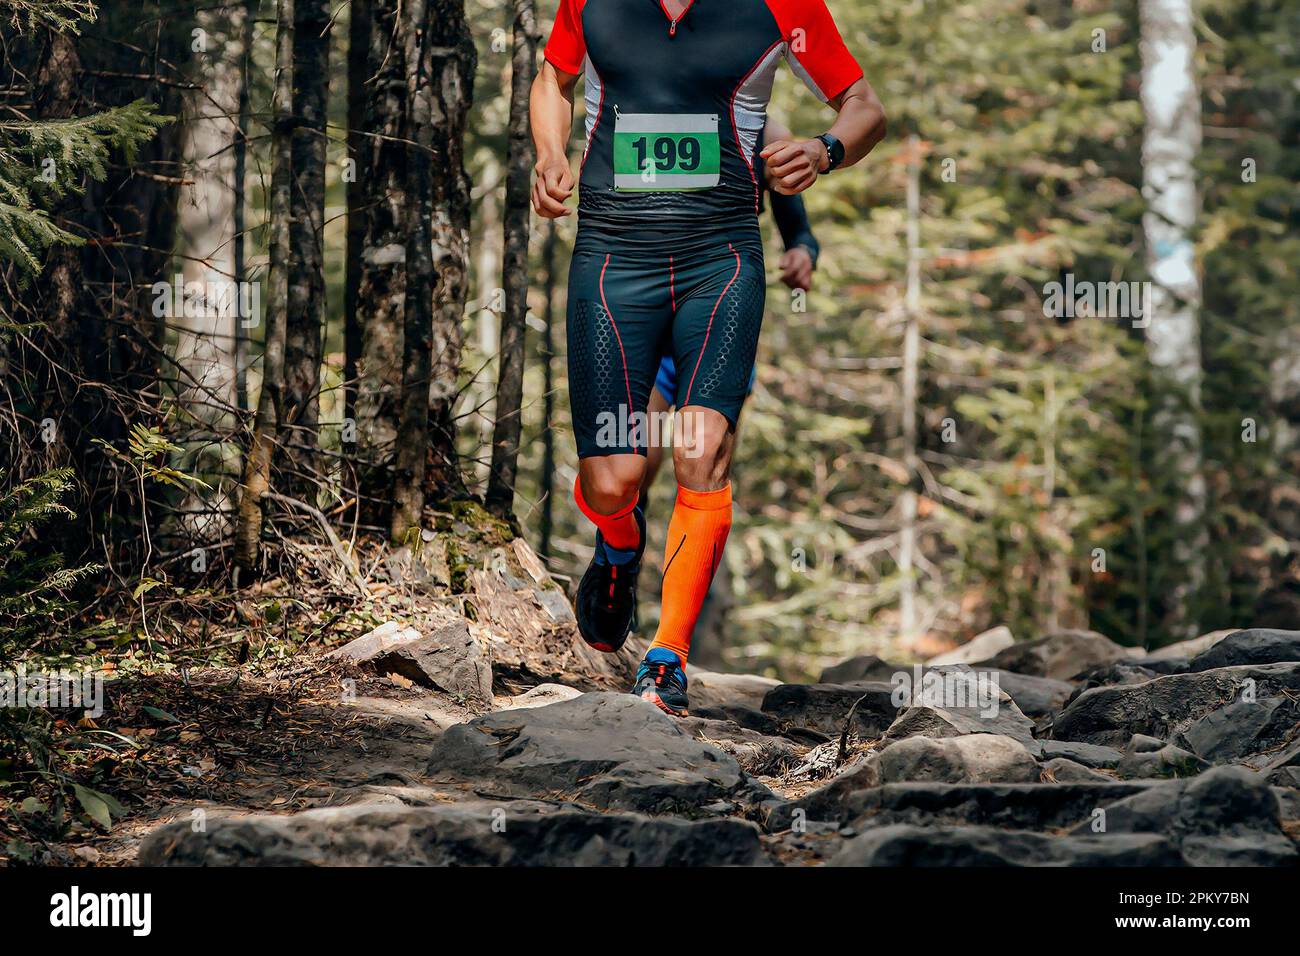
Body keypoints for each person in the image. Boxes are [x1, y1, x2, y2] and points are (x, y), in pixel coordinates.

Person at [531, 0, 885, 716]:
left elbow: (862, 106)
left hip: (719, 258)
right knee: (612, 479)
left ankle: (667, 660)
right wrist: (548, 154)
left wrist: (824, 150)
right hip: (612, 256)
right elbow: (552, 81)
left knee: (700, 452)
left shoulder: (783, 5)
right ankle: (620, 548)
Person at [641, 118, 821, 498]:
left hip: (722, 325)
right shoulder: (650, 107)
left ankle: (697, 558)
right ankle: (620, 556)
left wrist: (802, 253)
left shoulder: (767, 135)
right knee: (636, 463)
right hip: (651, 323)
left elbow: (799, 229)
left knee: (704, 466)